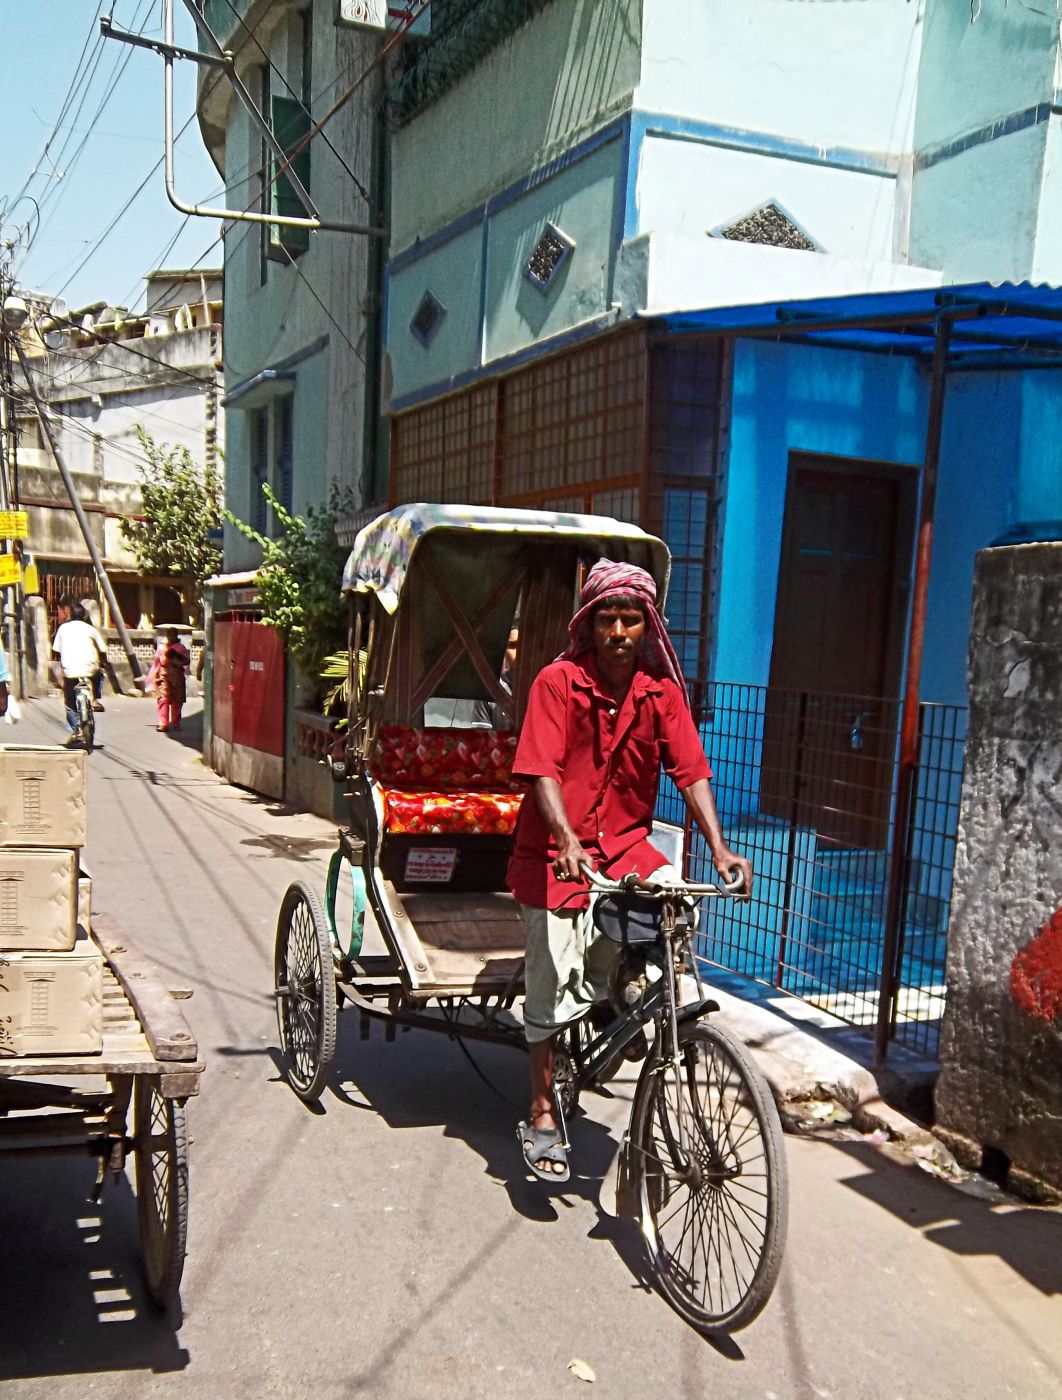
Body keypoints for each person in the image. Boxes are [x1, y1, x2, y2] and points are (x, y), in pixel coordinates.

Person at [507, 560, 752, 1182]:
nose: (619, 630)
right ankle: (540, 1110)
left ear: (648, 627)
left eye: (632, 618)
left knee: (673, 904)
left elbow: (691, 771)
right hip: (554, 854)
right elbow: (541, 769)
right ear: (590, 626)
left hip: (624, 847)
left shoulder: (660, 693)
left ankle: (627, 994)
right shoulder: (557, 682)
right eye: (609, 618)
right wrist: (564, 837)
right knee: (551, 972)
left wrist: (720, 850)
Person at [52, 595, 106, 744]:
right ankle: (94, 698)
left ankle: (77, 729)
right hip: (90, 670)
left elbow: (56, 649)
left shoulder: (63, 628)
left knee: (69, 703)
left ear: (69, 614)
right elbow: (103, 648)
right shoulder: (90, 629)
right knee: (100, 674)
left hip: (70, 672)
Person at [147, 628, 191, 732]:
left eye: (172, 635)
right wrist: (155, 677)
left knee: (177, 701)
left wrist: (176, 659)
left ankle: (176, 723)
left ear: (176, 636)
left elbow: (186, 661)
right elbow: (157, 663)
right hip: (164, 677)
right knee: (163, 699)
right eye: (169, 635)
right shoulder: (162, 648)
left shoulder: (180, 648)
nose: (170, 637)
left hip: (177, 677)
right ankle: (163, 723)